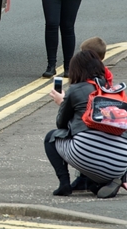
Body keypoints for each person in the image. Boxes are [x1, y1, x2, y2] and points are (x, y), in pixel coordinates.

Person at [44, 50, 127, 198]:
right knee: (97, 137)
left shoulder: (76, 90)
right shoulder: (114, 91)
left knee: (51, 137)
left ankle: (64, 184)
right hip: (120, 161)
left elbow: (61, 124)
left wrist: (62, 102)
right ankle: (102, 182)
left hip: (85, 153)